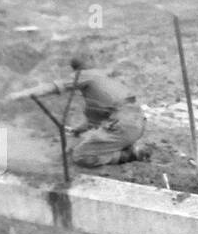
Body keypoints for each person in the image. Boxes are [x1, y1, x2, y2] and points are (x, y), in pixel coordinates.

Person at [8, 55, 148, 167]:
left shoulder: (84, 75)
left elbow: (52, 88)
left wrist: (22, 94)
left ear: (76, 71)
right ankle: (127, 145)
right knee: (95, 139)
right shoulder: (103, 79)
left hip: (124, 127)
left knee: (81, 156)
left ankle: (129, 155)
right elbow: (93, 121)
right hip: (138, 123)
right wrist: (77, 131)